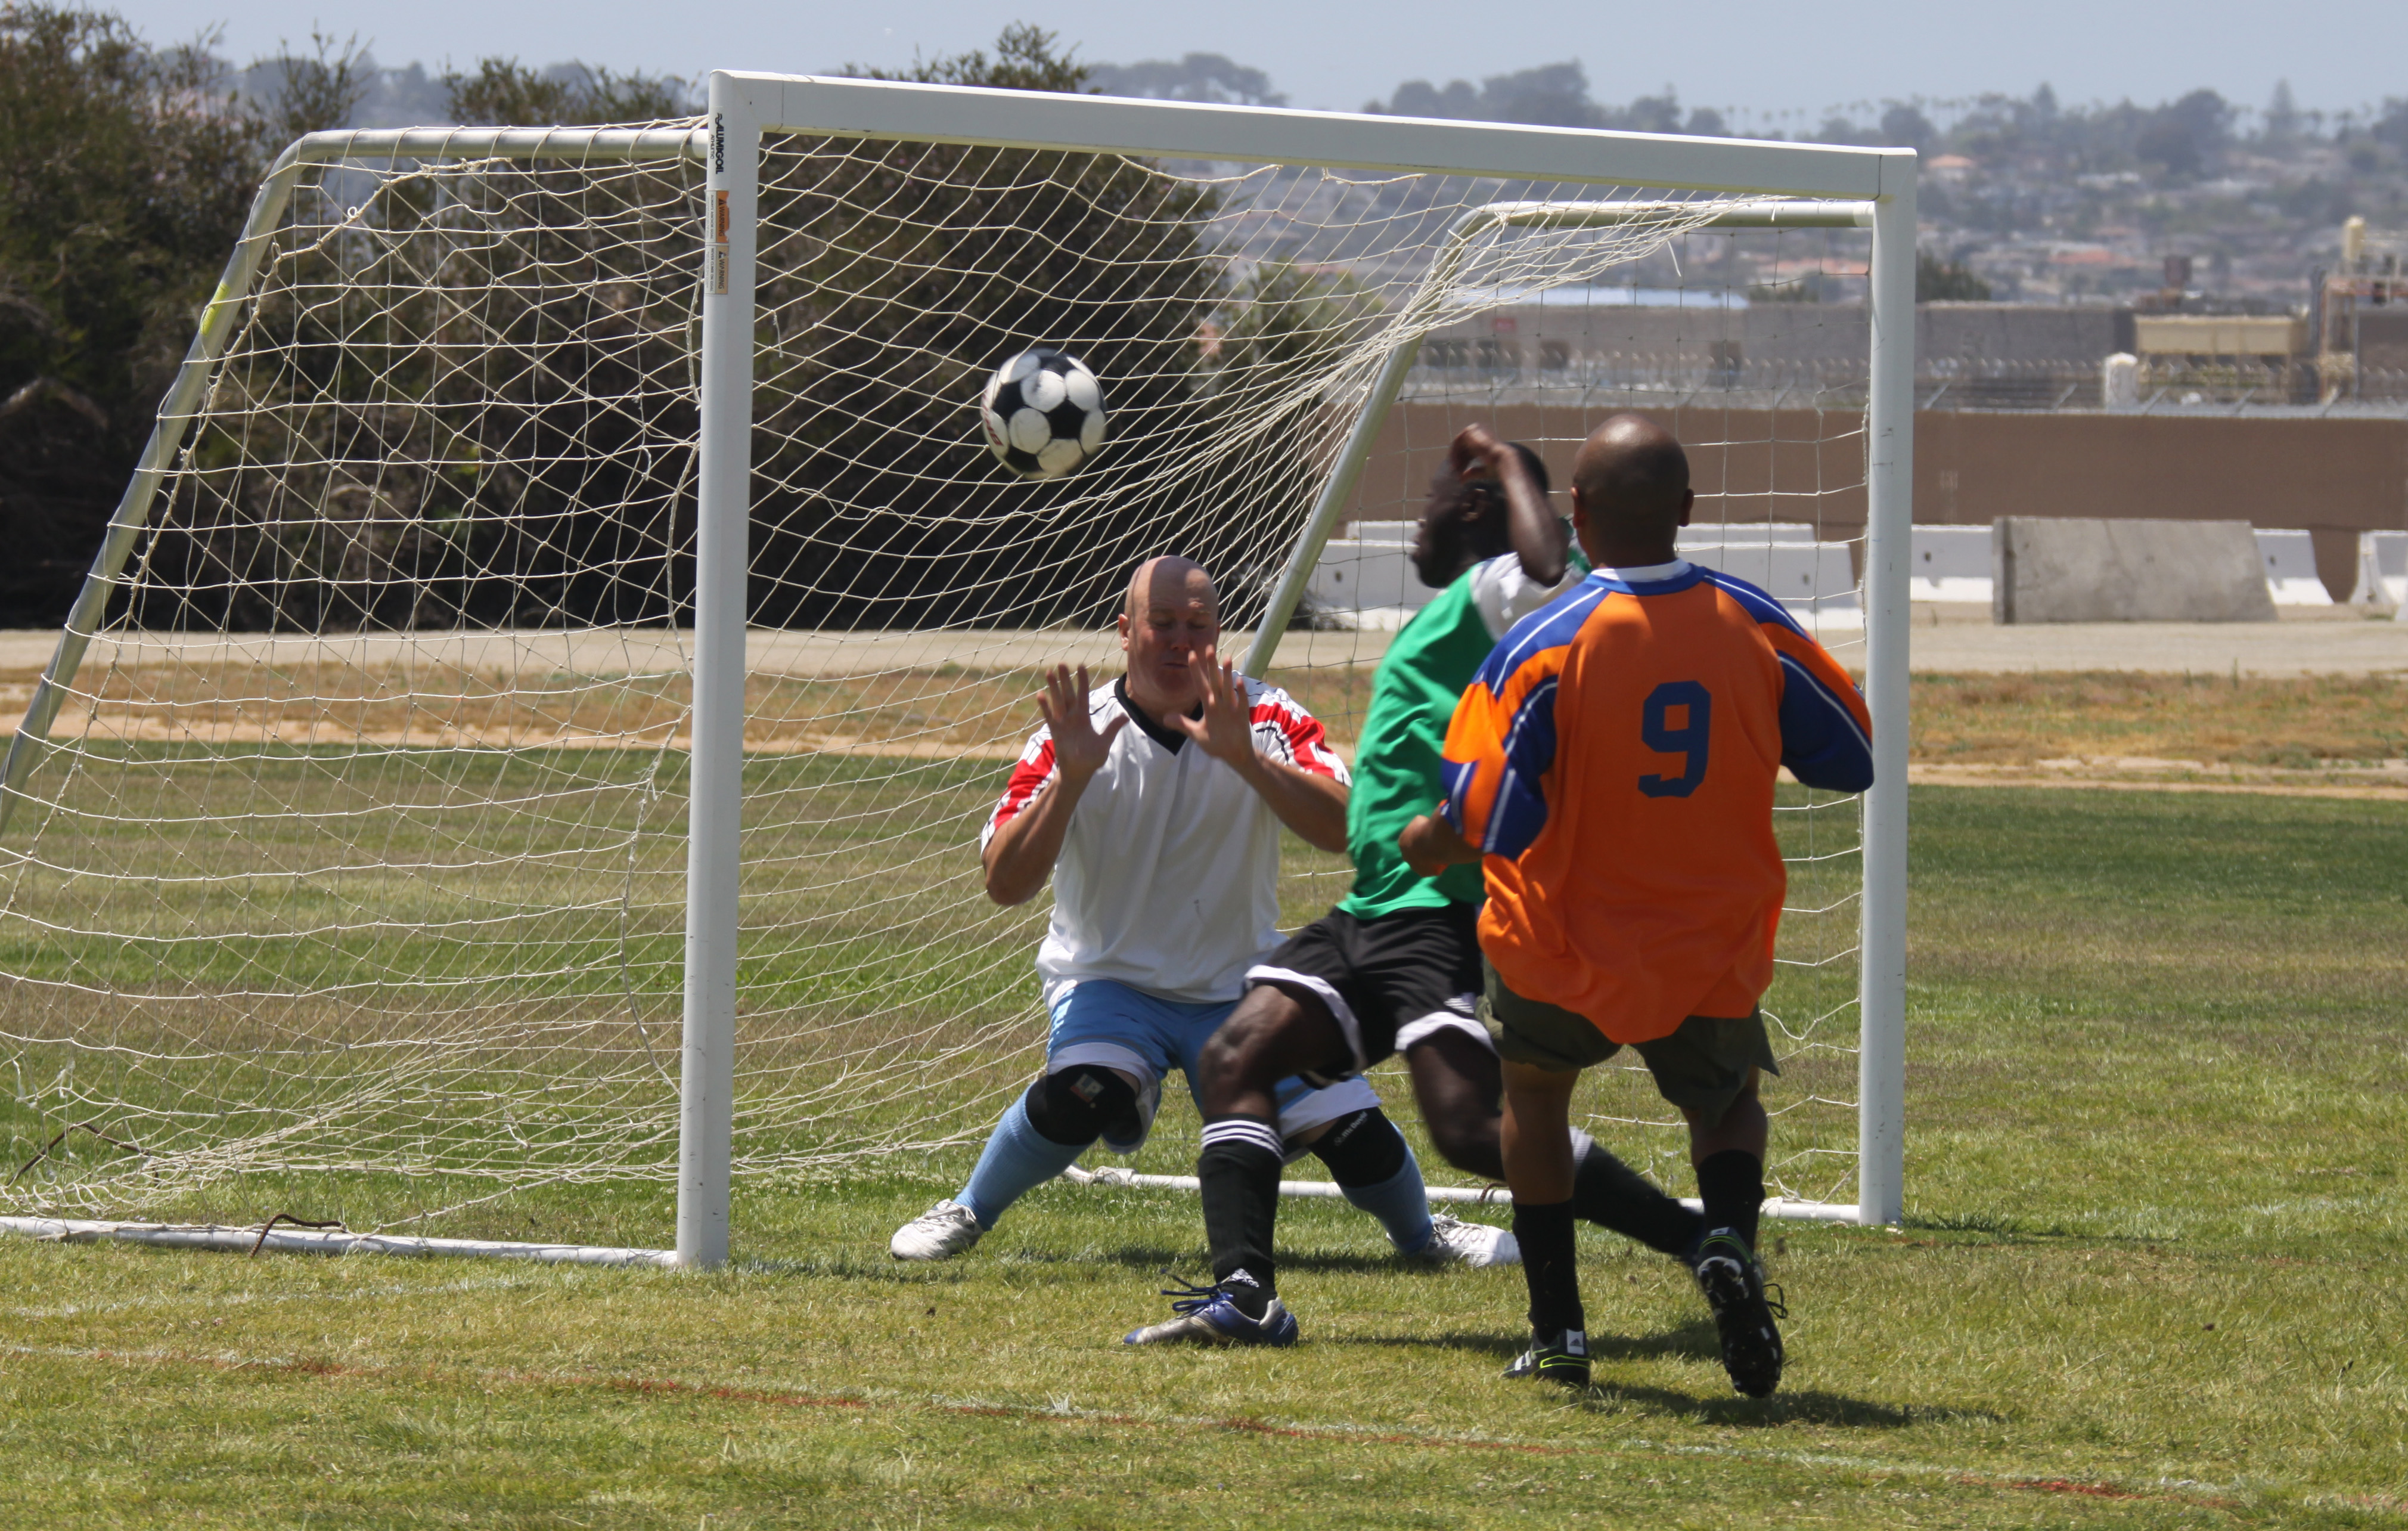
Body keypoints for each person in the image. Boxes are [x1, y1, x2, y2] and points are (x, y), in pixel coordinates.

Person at [1125, 427, 1708, 1351]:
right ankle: (1245, 1295)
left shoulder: (1495, 596)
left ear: (1476, 506)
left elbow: (1548, 563)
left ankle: (1699, 1239)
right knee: (1235, 1056)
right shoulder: (1452, 621)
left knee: (1475, 1129)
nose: (1417, 524)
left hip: (1438, 912)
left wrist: (1511, 460)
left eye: (1436, 499)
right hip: (1377, 911)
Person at [1400, 414, 1875, 1397]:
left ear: (1576, 514)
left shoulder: (1541, 643)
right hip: (1708, 935)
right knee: (1728, 1102)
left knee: (1533, 1095)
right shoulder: (1754, 620)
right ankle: (1730, 1248)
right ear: (1689, 511)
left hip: (1564, 938)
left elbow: (1483, 809)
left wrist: (1425, 836)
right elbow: (1850, 751)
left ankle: (1561, 1331)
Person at [889, 556, 1513, 1283]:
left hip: (1240, 984)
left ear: (1218, 637)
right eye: (1161, 624)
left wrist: (1245, 759)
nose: (1179, 642)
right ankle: (968, 1207)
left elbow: (1351, 831)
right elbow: (1003, 883)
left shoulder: (1264, 715)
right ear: (1125, 632)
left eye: (1198, 626)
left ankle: (1423, 1234)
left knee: (1351, 1133)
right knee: (1080, 1097)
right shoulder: (1072, 734)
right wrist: (1071, 778)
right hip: (1109, 983)